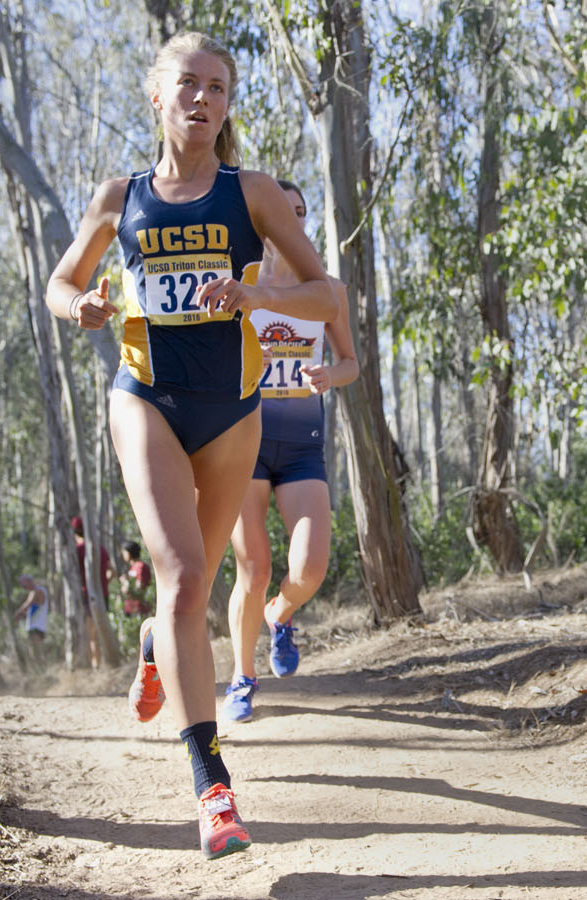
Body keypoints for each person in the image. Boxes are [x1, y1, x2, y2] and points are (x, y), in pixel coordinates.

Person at [44, 31, 337, 860]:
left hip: (233, 411)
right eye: (187, 84)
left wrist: (250, 289)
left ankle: (151, 645)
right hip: (147, 401)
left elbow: (324, 293)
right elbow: (60, 283)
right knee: (179, 577)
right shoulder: (120, 197)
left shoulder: (253, 196)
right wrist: (82, 311)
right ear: (157, 96)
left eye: (218, 86)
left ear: (229, 104)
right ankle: (213, 787)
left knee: (193, 589)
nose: (202, 98)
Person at [220, 180, 358, 723]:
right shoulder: (239, 285)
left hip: (303, 446)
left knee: (310, 567)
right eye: (283, 211)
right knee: (252, 569)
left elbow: (351, 362)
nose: (292, 219)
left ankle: (282, 613)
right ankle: (241, 678)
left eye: (300, 213)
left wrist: (331, 374)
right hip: (244, 444)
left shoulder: (327, 290)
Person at [72, 515, 111, 669]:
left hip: (87, 595)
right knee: (101, 631)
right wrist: (103, 583)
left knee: (91, 636)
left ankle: (96, 666)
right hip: (104, 595)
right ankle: (105, 663)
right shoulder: (99, 547)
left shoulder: (77, 550)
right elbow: (111, 570)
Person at [12, 574, 50, 662]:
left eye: (24, 585)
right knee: (33, 651)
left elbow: (27, 604)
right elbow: (32, 609)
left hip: (37, 627)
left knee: (37, 651)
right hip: (34, 626)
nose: (23, 588)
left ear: (30, 581)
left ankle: (41, 671)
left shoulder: (38, 591)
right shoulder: (33, 592)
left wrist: (17, 613)